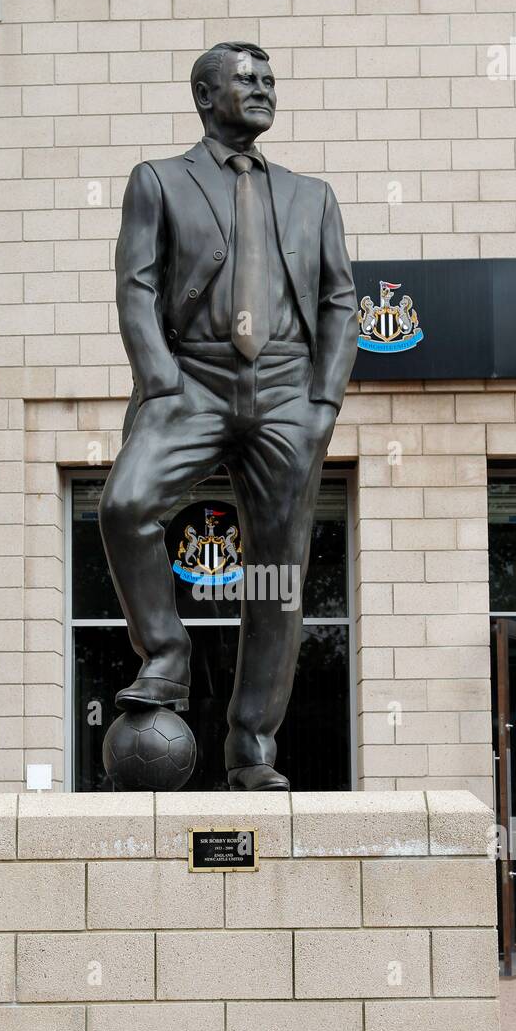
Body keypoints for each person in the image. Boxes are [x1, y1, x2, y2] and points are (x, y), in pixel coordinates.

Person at [100, 40, 358, 790]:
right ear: (205, 96)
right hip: (195, 382)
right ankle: (166, 653)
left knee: (277, 573)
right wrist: (161, 383)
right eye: (246, 79)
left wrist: (321, 403)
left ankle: (251, 746)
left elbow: (342, 302)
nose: (264, 88)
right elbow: (136, 288)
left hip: (285, 396)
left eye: (270, 79)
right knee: (125, 503)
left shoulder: (314, 197)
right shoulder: (160, 181)